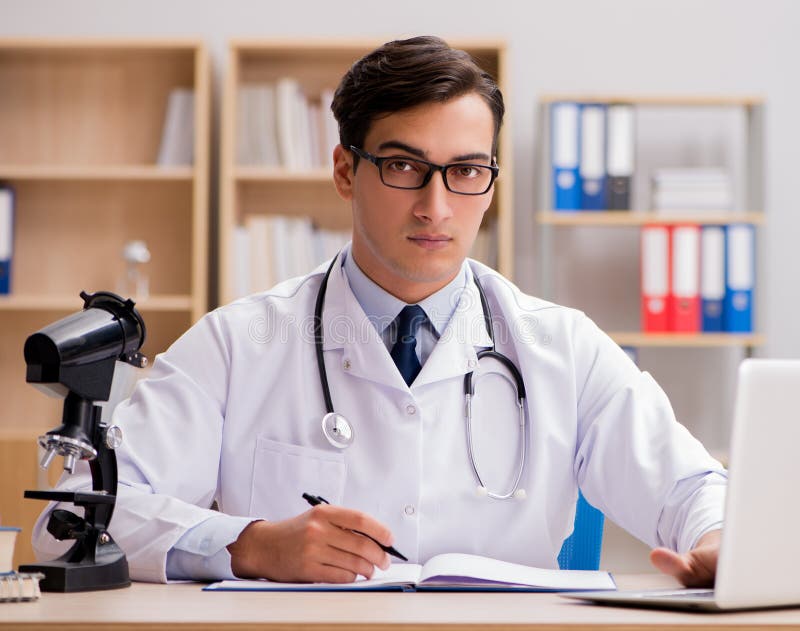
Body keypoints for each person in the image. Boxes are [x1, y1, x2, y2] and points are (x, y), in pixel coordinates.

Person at [33, 35, 724, 587]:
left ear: (489, 180)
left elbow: (690, 487)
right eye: (402, 166)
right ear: (344, 170)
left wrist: (718, 540)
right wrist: (245, 544)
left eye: (466, 170)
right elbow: (69, 518)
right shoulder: (240, 341)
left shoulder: (561, 347)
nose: (436, 205)